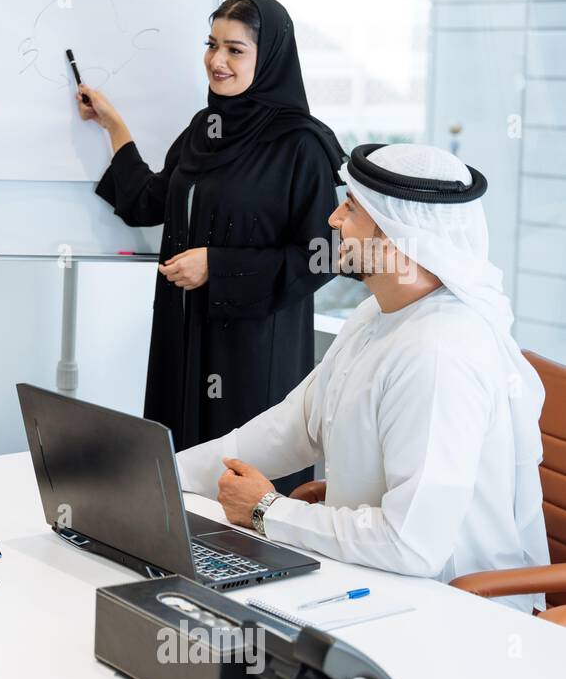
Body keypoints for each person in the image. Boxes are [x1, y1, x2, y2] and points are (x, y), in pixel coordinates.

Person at [175, 144, 548, 612]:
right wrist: (166, 475)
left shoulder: (439, 354)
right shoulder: (377, 314)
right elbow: (293, 426)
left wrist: (269, 511)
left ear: (397, 237)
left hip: (446, 607)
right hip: (365, 575)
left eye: (350, 208)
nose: (332, 220)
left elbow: (411, 544)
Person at [78, 0, 344, 494]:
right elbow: (148, 201)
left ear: (269, 59)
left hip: (252, 352)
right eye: (211, 45)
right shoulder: (206, 129)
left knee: (239, 493)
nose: (217, 61)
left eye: (236, 50)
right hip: (183, 337)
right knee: (179, 485)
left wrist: (218, 267)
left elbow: (322, 254)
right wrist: (114, 125)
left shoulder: (300, 145)